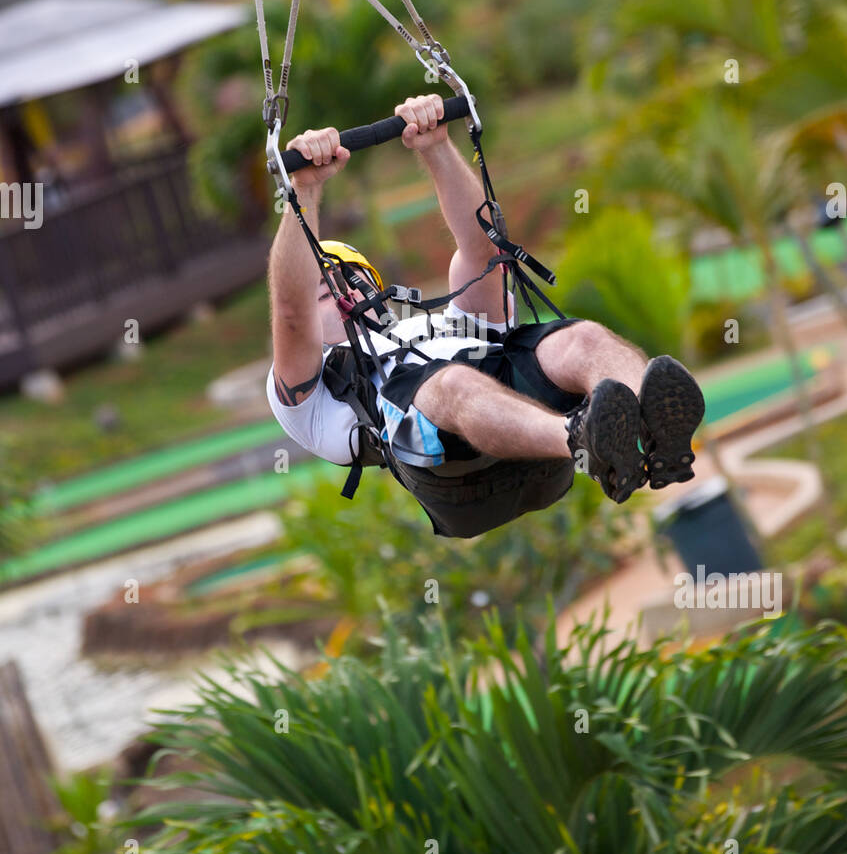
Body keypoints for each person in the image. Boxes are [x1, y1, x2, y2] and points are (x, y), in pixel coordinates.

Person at [266, 93, 705, 538]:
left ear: (377, 289)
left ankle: (659, 434)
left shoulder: (438, 327)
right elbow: (291, 312)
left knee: (584, 338)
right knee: (452, 382)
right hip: (455, 476)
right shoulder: (315, 385)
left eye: (346, 276)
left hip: (520, 425)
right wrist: (305, 190)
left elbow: (481, 250)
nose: (336, 287)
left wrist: (436, 146)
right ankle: (583, 442)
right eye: (322, 288)